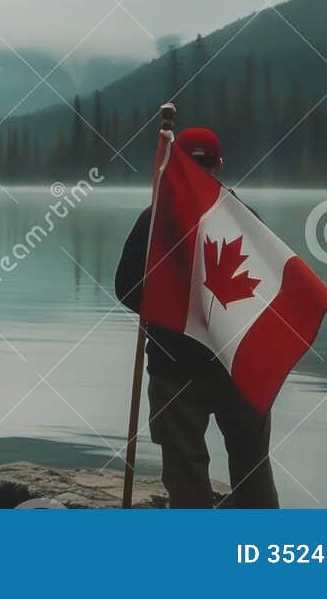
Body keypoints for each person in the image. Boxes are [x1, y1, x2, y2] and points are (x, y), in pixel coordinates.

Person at [113, 127, 279, 509]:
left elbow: (126, 288)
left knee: (184, 469)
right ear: (219, 165)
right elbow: (269, 288)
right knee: (252, 467)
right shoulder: (245, 219)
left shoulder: (155, 221)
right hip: (238, 365)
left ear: (176, 167)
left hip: (175, 368)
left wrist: (169, 313)